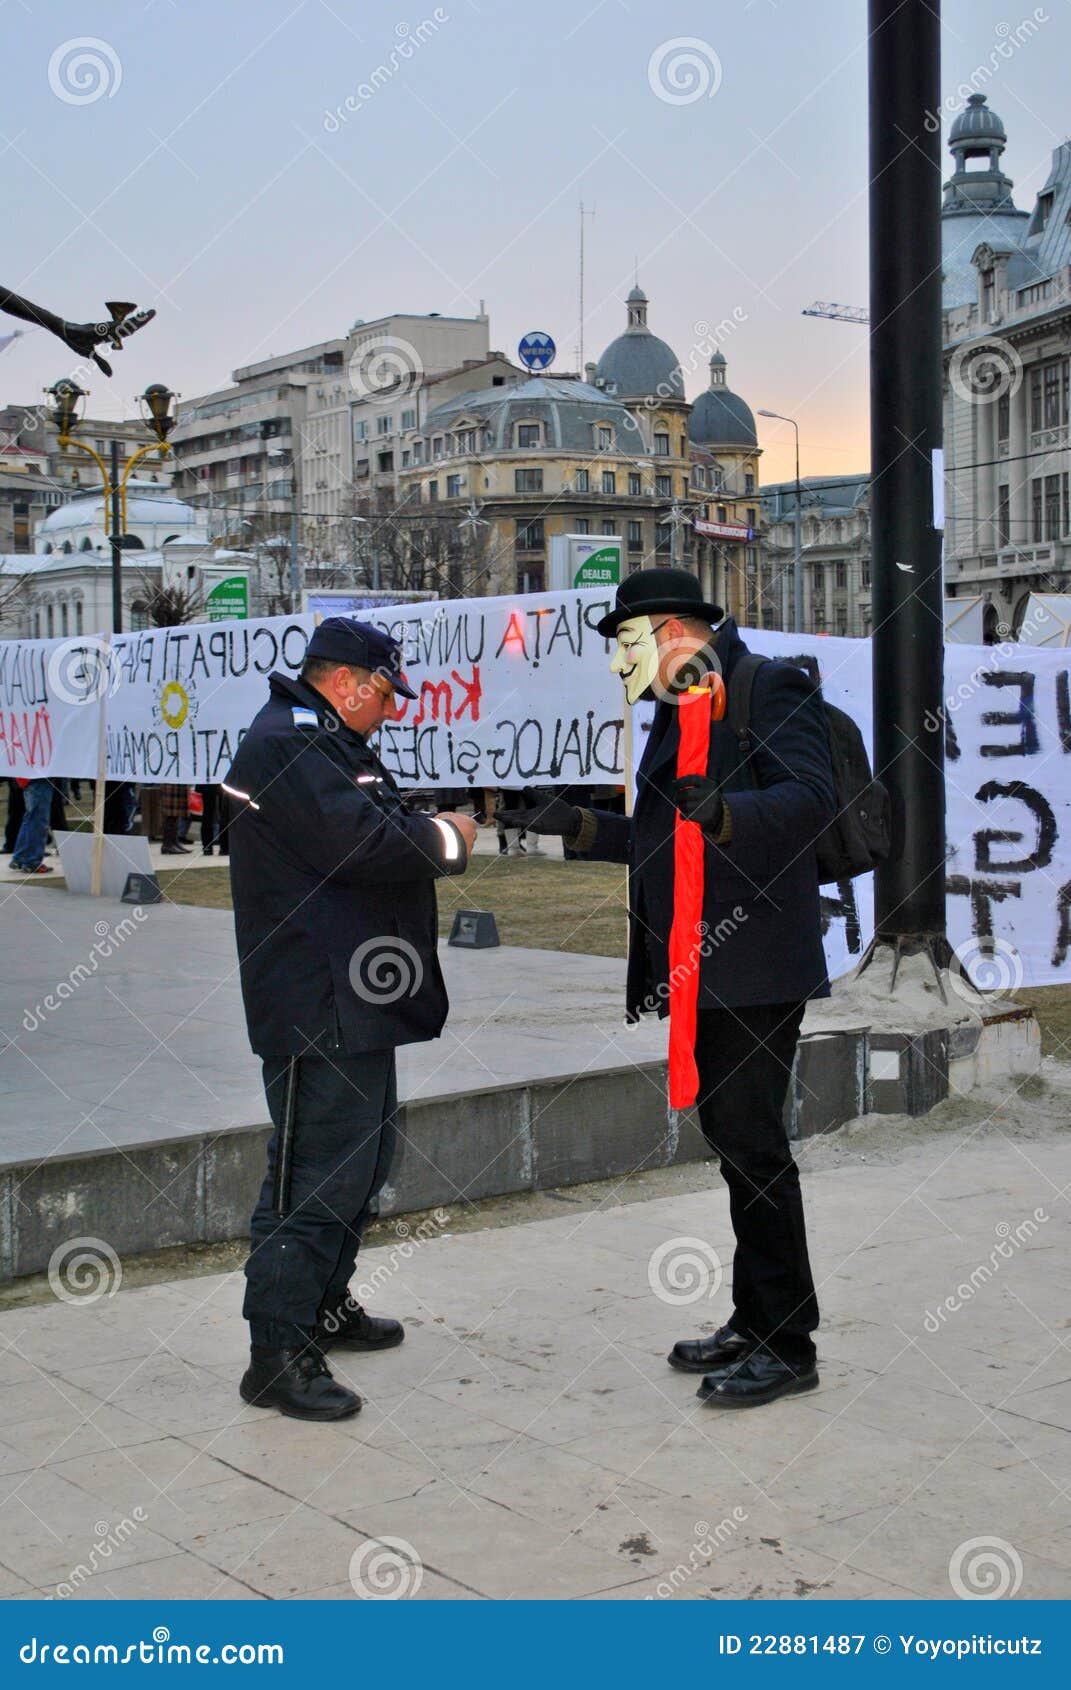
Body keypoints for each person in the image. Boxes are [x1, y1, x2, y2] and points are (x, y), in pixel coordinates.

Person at [499, 568, 835, 1411]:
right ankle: (755, 1319)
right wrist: (581, 827)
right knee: (735, 1146)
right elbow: (666, 836)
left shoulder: (764, 686)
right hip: (698, 964)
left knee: (755, 1150)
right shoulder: (676, 710)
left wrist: (727, 813)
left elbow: (810, 801)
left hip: (753, 963)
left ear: (673, 630)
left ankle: (787, 1343)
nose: (619, 663)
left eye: (626, 644)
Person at [224, 618, 478, 1421]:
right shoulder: (289, 743)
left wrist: (416, 832)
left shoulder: (324, 738)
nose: (393, 710)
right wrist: (449, 838)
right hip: (317, 998)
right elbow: (364, 844)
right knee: (313, 1177)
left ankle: (324, 1306)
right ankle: (277, 1352)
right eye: (384, 694)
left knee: (359, 1166)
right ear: (344, 682)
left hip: (352, 994)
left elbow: (369, 829)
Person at [9, 777, 57, 875]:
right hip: (40, 778)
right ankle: (32, 862)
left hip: (29, 779)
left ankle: (20, 858)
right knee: (38, 821)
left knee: (31, 819)